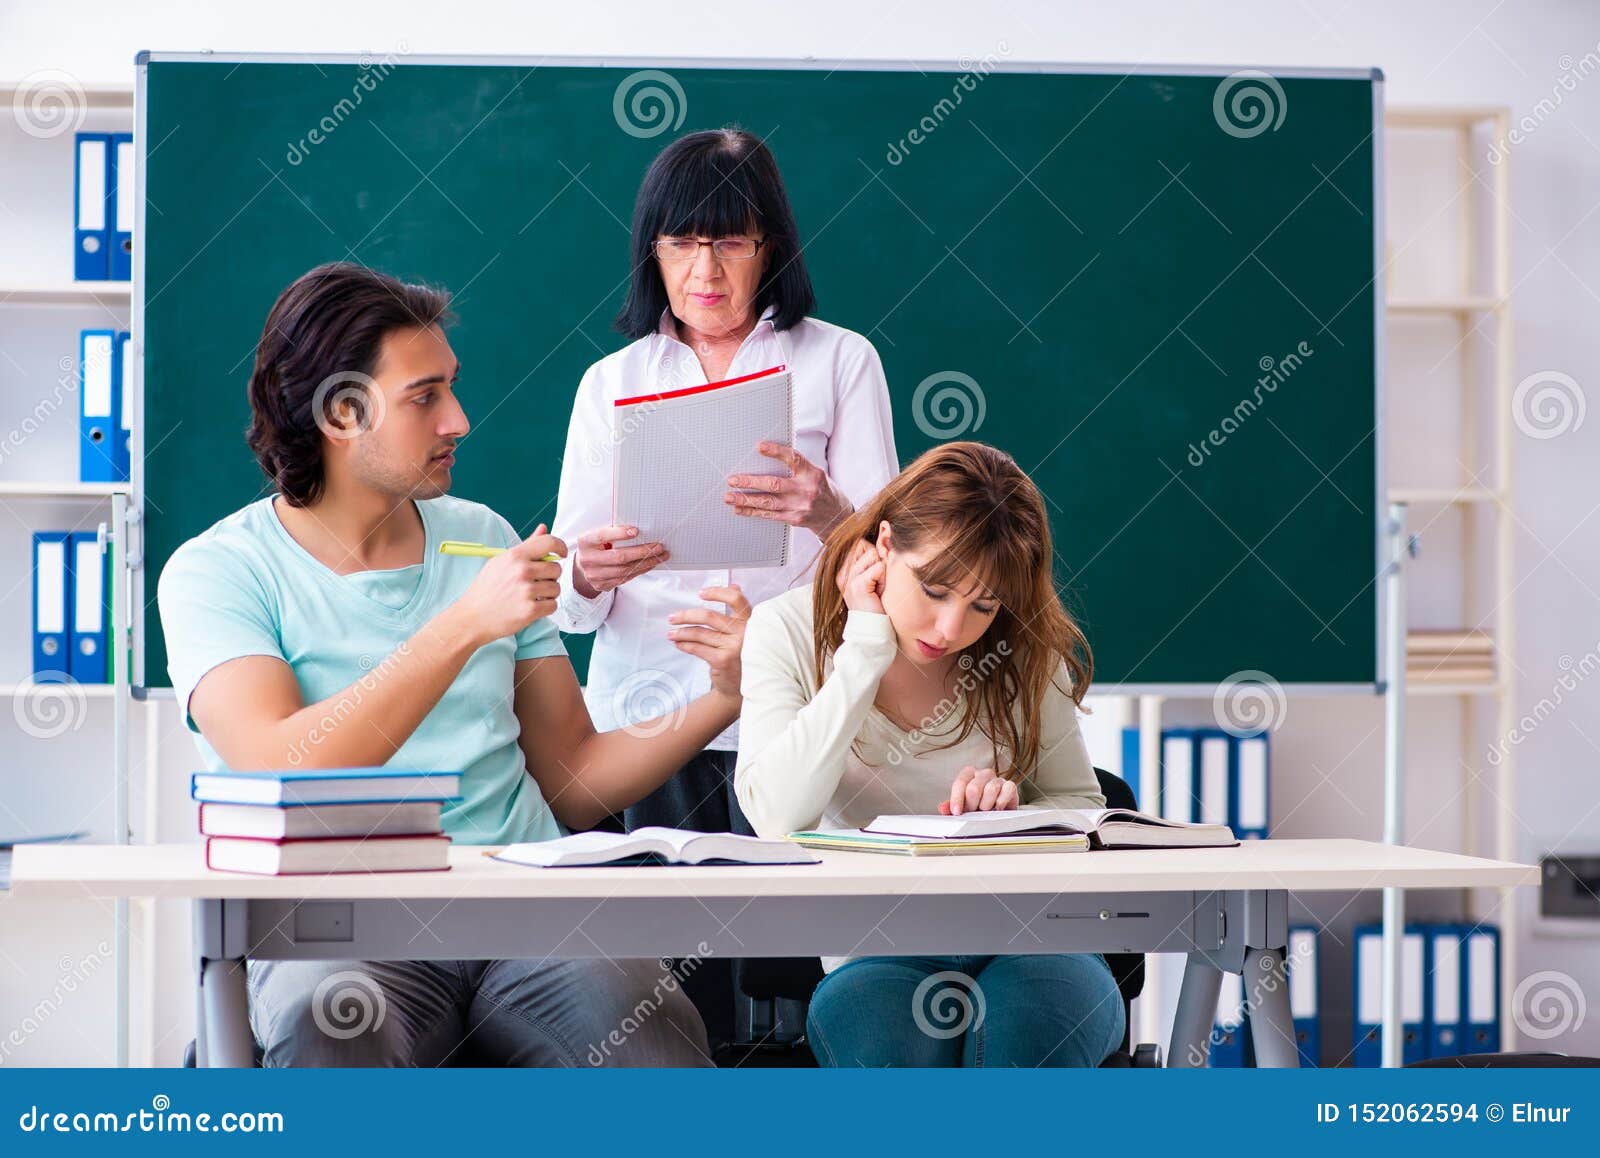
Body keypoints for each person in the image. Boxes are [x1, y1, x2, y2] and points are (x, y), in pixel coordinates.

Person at [158, 261, 751, 1067]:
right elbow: (279, 770)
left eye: (453, 387)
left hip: (521, 913)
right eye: (425, 396)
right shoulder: (217, 571)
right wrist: (464, 625)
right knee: (333, 1022)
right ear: (340, 413)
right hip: (339, 926)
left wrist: (721, 697)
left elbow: (571, 779)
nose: (460, 420)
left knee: (641, 1025)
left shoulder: (482, 536)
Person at [551, 127, 898, 1046]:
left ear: (769, 247)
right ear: (653, 252)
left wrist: (829, 515)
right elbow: (570, 601)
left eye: (730, 241)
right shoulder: (610, 382)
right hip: (645, 723)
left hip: (792, 716)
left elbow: (893, 575)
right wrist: (588, 571)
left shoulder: (840, 362)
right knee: (652, 998)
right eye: (682, 243)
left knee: (790, 992)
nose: (705, 269)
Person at [733, 441, 1126, 1067]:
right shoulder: (785, 629)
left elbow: (1080, 804)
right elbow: (778, 817)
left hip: (1032, 938)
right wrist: (864, 648)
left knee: (1026, 1047)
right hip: (874, 947)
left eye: (983, 605)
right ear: (882, 545)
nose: (949, 629)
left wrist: (1013, 817)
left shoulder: (1022, 650)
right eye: (935, 588)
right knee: (894, 1051)